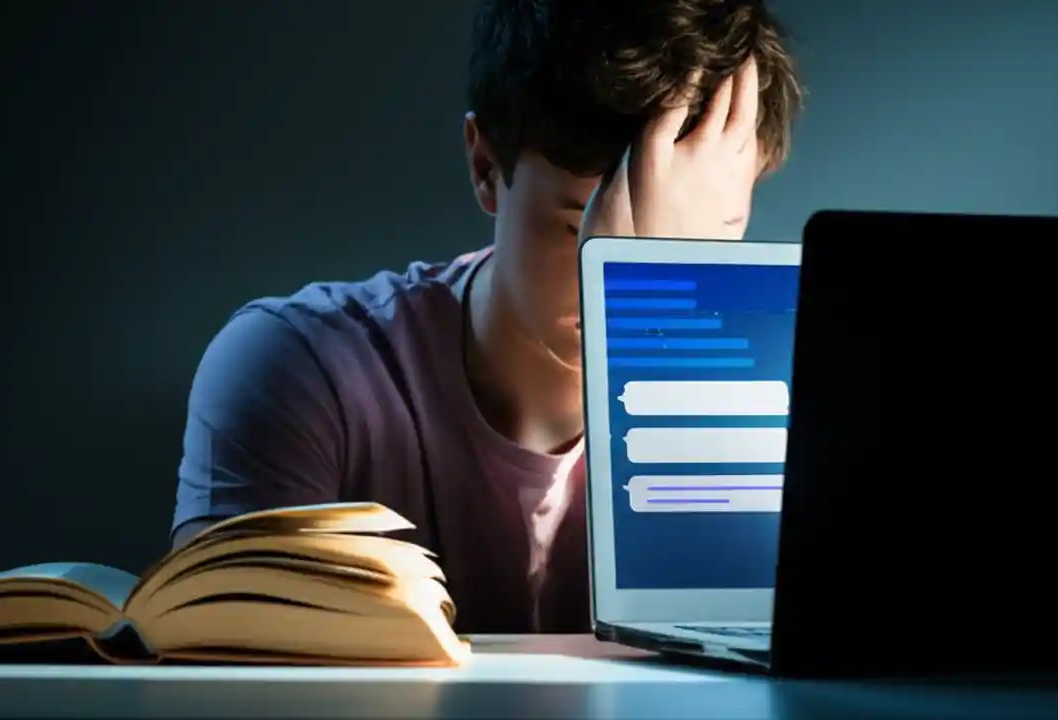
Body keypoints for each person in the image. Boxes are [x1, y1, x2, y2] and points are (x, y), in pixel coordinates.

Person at [170, 0, 804, 633]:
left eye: (709, 234)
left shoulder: (788, 407)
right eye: (576, 225)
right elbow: (224, 678)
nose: (613, 291)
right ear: (485, 168)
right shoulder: (298, 369)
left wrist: (668, 335)